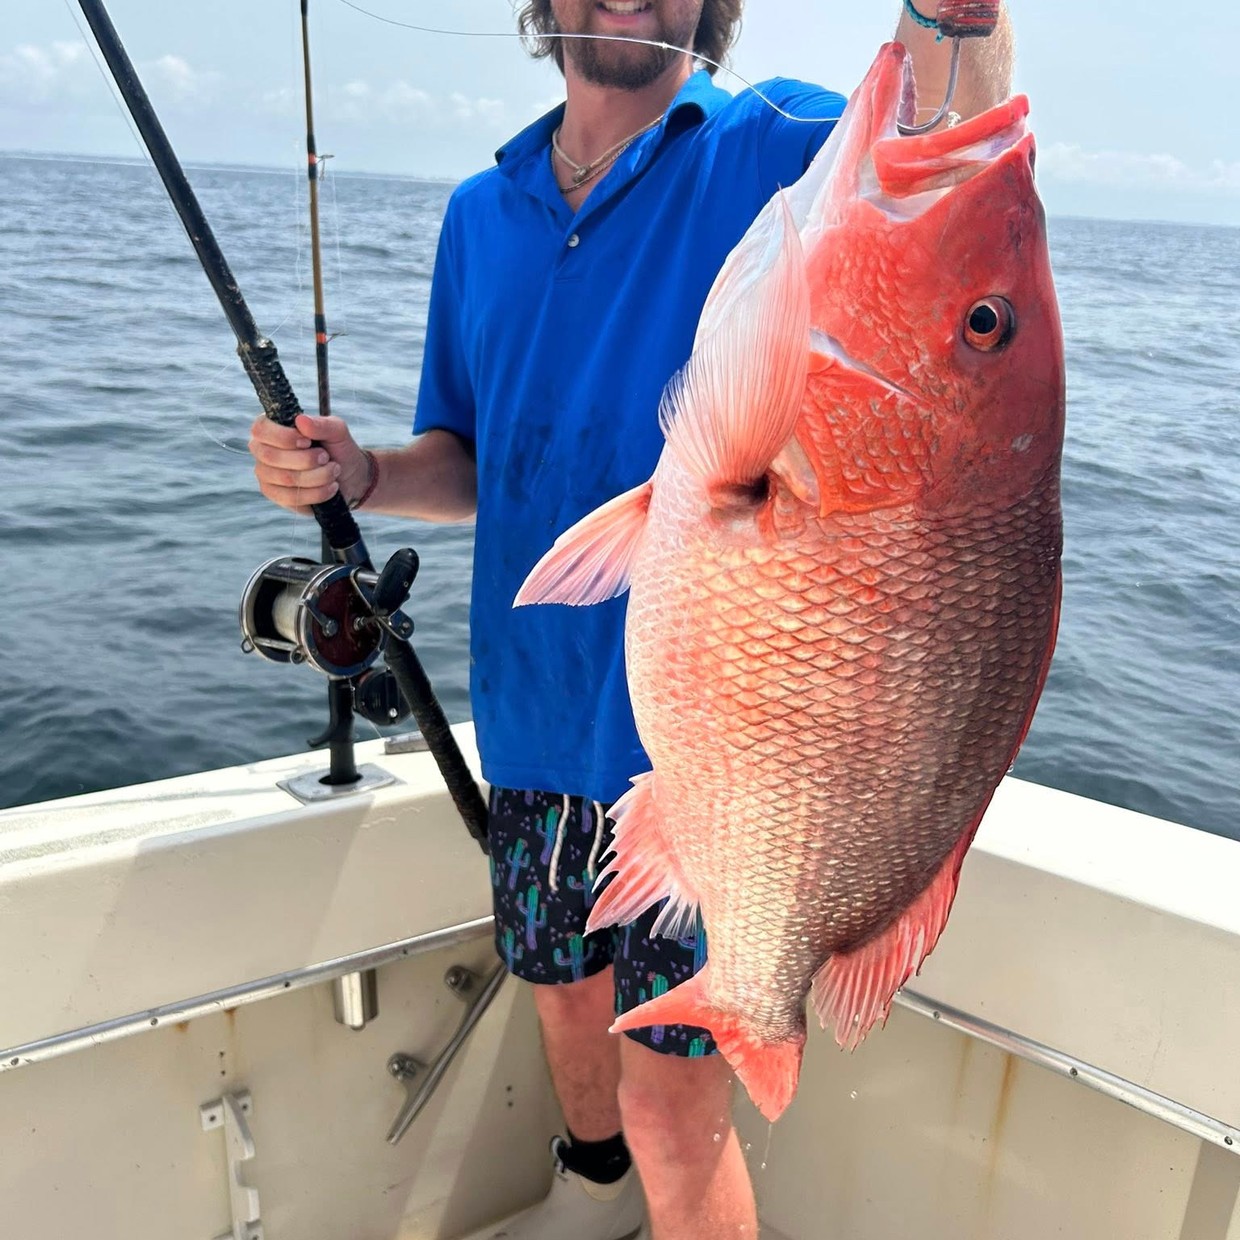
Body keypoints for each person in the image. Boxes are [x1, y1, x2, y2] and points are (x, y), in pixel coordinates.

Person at [249, 3, 1014, 1236]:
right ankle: (587, 1194)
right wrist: (369, 475)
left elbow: (956, 137)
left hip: (711, 760)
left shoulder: (773, 147)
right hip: (533, 714)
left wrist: (955, 15)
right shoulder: (478, 213)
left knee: (673, 1105)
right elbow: (472, 452)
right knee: (559, 996)